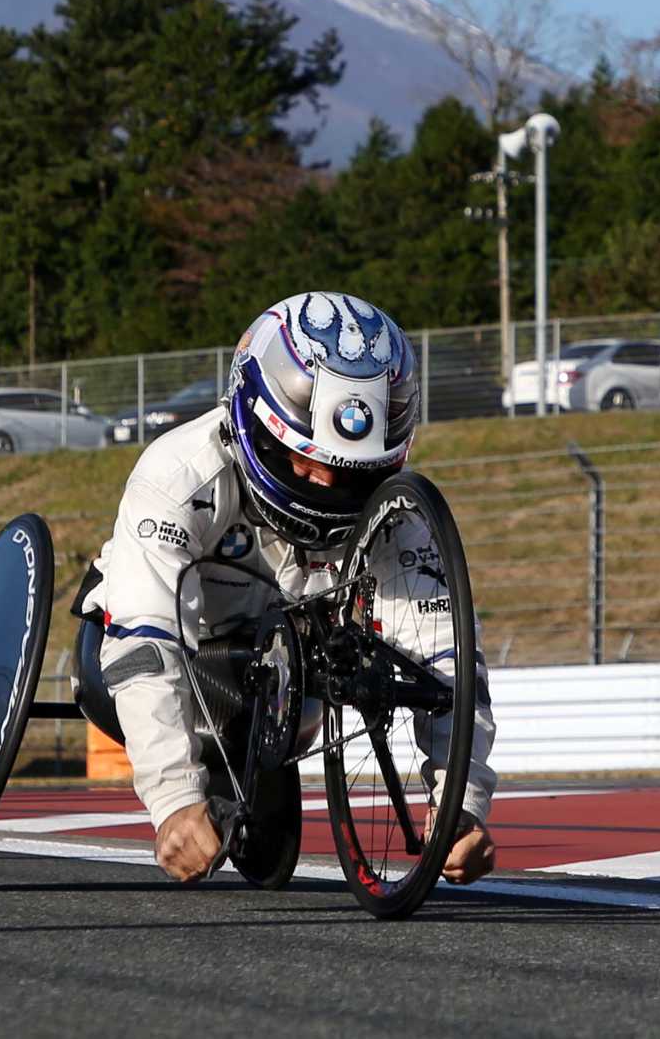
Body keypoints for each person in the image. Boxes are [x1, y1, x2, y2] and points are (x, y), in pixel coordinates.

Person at [83, 291, 498, 884]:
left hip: (279, 685)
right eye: (304, 465)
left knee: (268, 863)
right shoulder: (175, 475)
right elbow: (143, 642)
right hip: (157, 662)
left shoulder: (399, 516)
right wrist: (172, 798)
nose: (327, 488)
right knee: (127, 667)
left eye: (355, 475)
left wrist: (462, 804)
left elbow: (447, 657)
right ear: (254, 423)